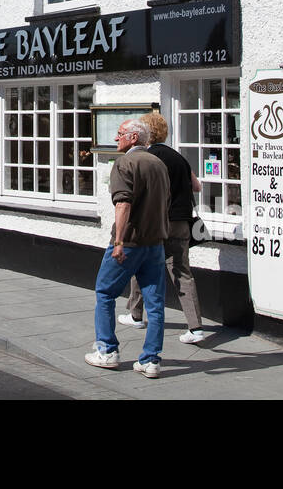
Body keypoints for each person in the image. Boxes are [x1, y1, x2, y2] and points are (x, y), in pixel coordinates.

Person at [85, 119, 171, 378]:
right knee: (155, 305)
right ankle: (151, 360)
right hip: (155, 244)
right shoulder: (159, 163)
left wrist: (119, 242)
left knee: (105, 292)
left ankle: (107, 350)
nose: (116, 138)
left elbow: (122, 204)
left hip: (130, 243)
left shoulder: (125, 163)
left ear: (134, 138)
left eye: (120, 134)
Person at [120, 111, 208, 344]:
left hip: (158, 221)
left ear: (144, 134)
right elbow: (196, 186)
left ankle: (136, 314)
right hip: (182, 222)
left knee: (140, 263)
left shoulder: (149, 158)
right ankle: (196, 327)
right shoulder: (178, 157)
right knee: (182, 272)